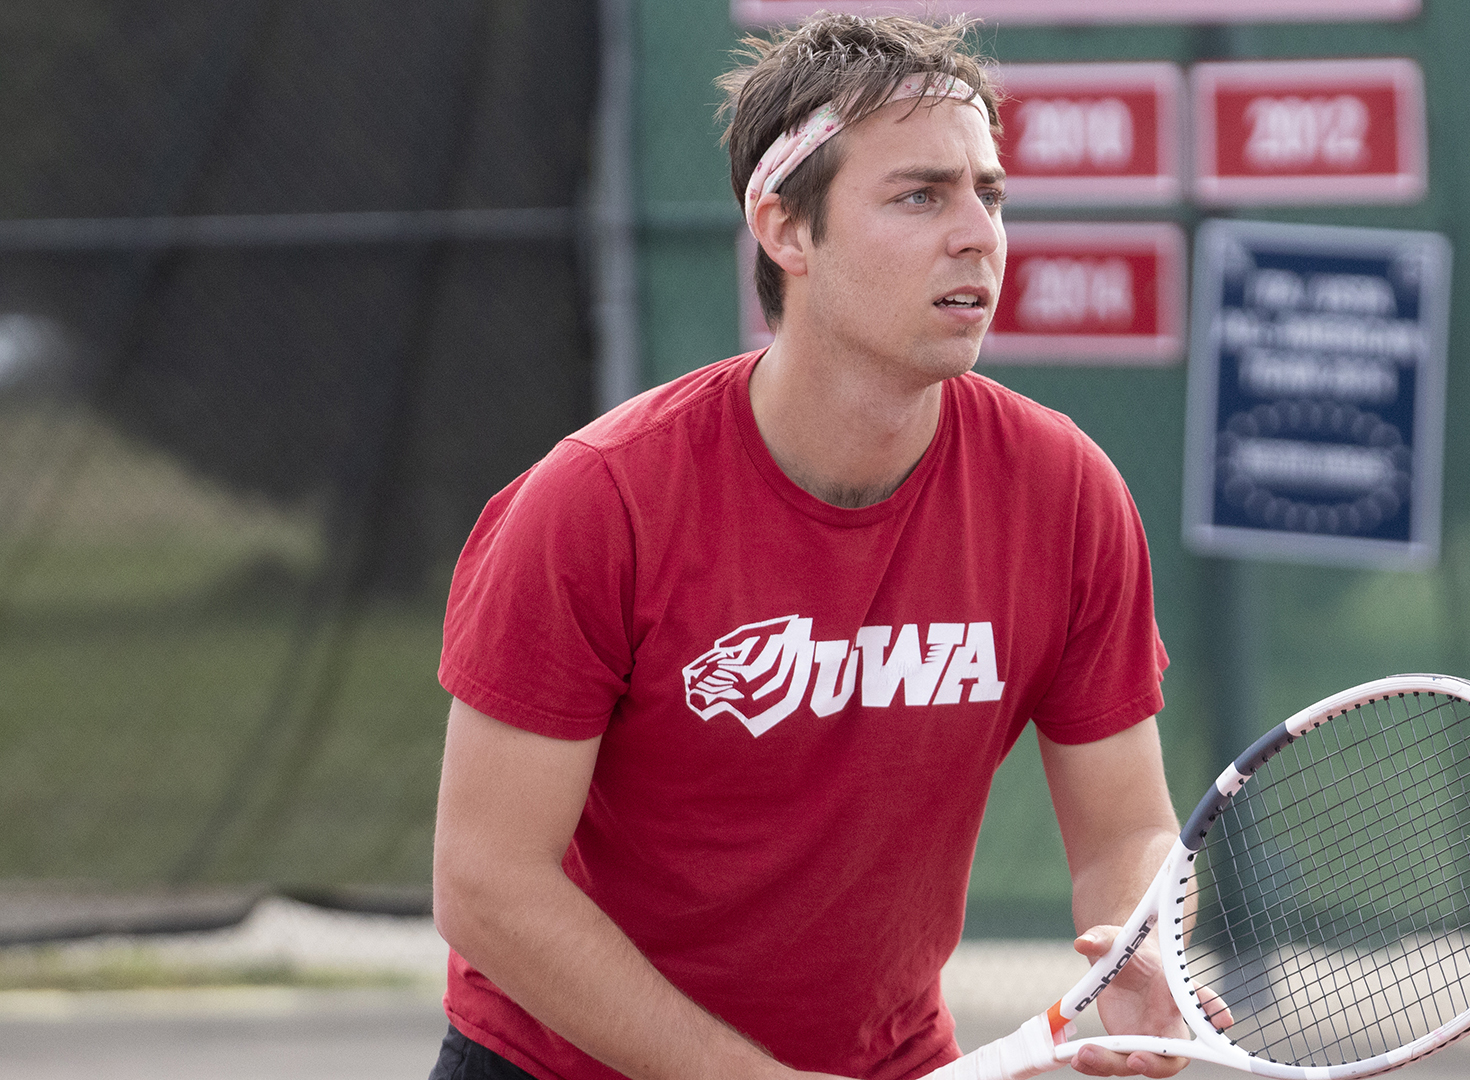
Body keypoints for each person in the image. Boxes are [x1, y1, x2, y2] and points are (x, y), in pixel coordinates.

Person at [429, 14, 1190, 1080]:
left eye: (990, 192)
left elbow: (1123, 834)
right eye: (921, 195)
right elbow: (485, 882)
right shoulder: (598, 502)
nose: (978, 233)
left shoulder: (1066, 495)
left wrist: (1140, 946)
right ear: (785, 227)